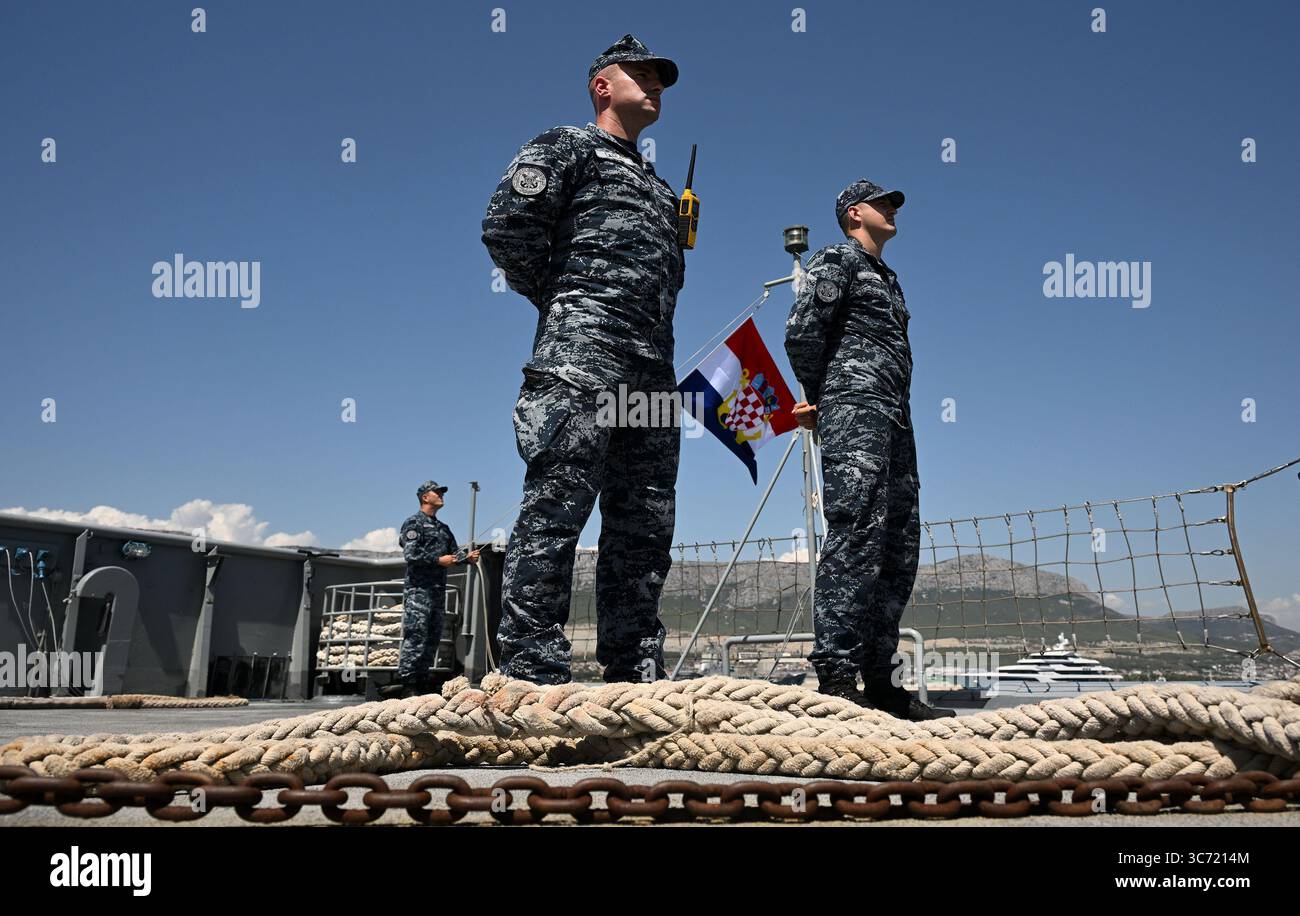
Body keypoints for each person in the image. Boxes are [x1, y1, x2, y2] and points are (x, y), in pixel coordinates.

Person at [481, 34, 685, 684]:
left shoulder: (656, 187)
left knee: (644, 523)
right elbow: (507, 228)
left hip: (650, 372)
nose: (654, 85)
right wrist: (568, 306)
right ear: (603, 84)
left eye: (660, 79)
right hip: (580, 362)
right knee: (557, 506)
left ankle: (634, 673)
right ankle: (533, 672)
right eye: (642, 74)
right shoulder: (567, 145)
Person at [784, 179, 954, 720]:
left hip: (894, 419)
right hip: (855, 411)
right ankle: (836, 678)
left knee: (898, 542)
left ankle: (882, 682)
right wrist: (823, 397)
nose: (891, 210)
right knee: (855, 532)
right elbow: (802, 331)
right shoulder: (839, 259)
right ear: (854, 213)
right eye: (882, 203)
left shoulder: (888, 278)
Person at [379, 481, 479, 699]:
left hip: (436, 591)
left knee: (432, 636)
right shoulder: (413, 523)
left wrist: (467, 558)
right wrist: (437, 559)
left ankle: (422, 680)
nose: (442, 495)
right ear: (425, 497)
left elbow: (453, 553)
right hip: (418, 590)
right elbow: (411, 555)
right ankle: (408, 682)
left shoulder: (443, 529)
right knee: (416, 635)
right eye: (438, 492)